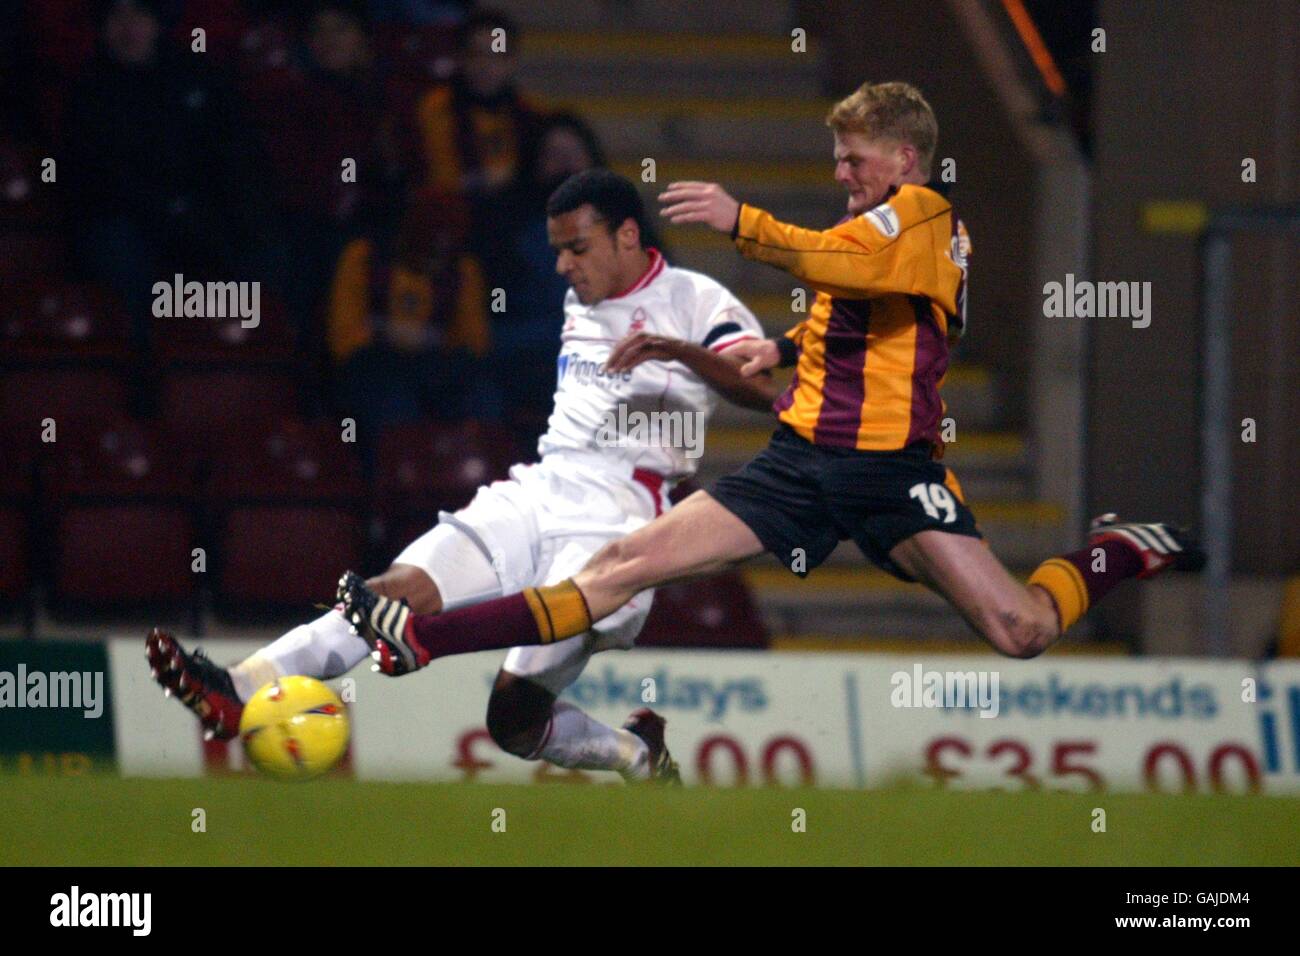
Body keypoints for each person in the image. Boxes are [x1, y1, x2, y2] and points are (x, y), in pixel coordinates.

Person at [337, 81, 1205, 692]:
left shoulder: (928, 220)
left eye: (856, 160)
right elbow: (860, 310)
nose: (842, 174)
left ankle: (1117, 549)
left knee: (1022, 632)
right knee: (619, 566)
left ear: (907, 157)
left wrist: (741, 219)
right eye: (836, 159)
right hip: (799, 465)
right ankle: (422, 639)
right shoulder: (874, 233)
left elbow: (845, 269)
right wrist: (783, 351)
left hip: (890, 474)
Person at [146, 169, 773, 783]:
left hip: (624, 524)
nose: (563, 266)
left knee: (512, 722)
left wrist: (679, 351)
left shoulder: (698, 301)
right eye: (557, 252)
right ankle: (238, 688)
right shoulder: (578, 299)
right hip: (540, 488)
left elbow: (761, 388)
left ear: (629, 237)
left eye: (577, 249)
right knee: (384, 596)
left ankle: (635, 754)